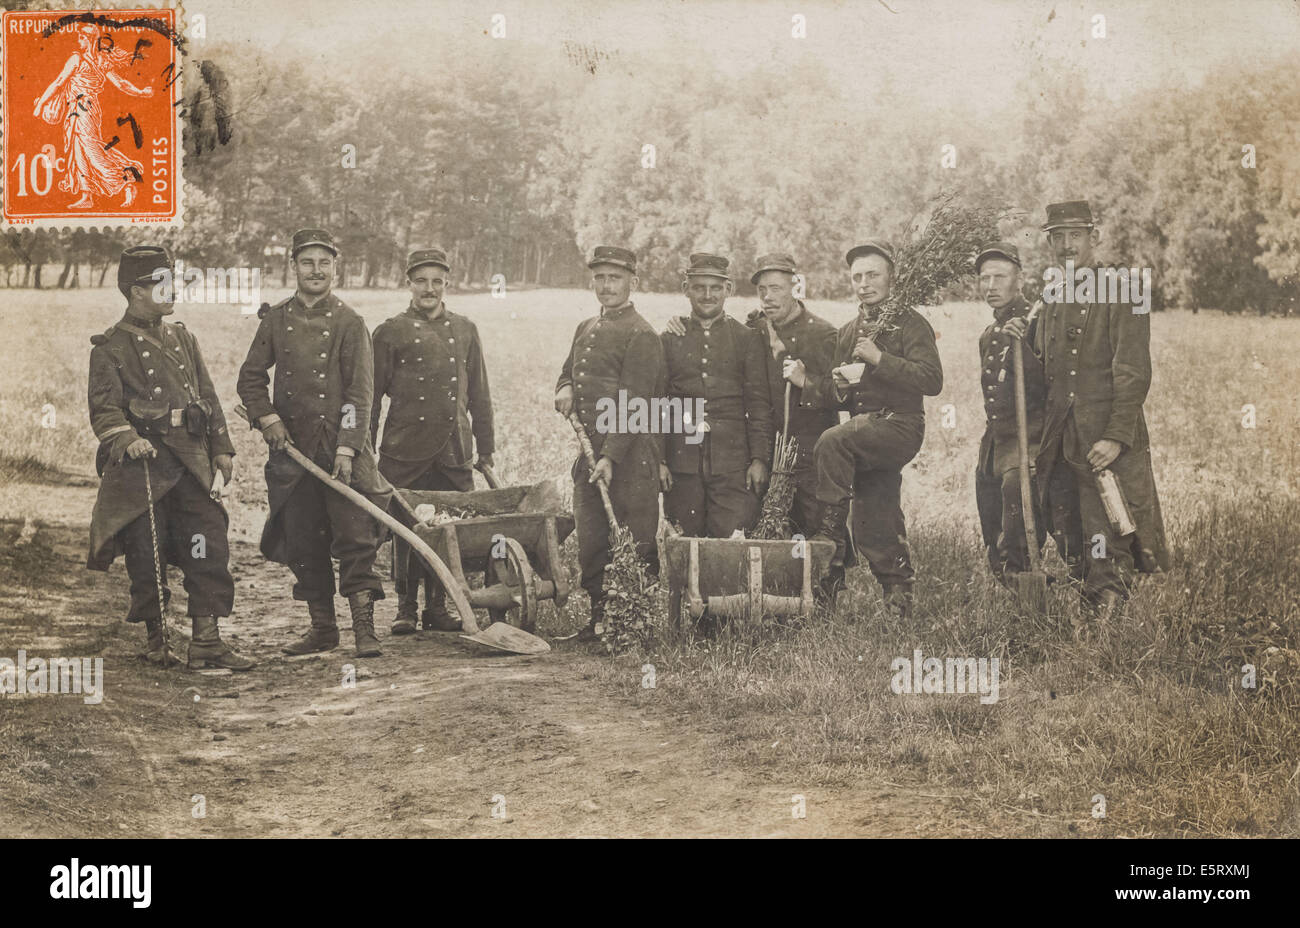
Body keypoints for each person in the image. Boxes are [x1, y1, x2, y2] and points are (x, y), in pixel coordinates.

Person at [86, 245, 253, 670]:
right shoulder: (109, 348)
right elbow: (105, 410)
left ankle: (207, 642)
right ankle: (157, 641)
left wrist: (222, 449)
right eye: (161, 282)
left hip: (191, 465)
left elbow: (208, 397)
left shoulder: (183, 338)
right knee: (148, 550)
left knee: (206, 542)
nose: (171, 289)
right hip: (143, 470)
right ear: (135, 291)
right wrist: (126, 438)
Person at [1003, 201, 1168, 617]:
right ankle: (1085, 599)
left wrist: (1115, 436)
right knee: (1066, 517)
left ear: (1094, 238)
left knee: (1108, 520)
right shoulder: (1053, 292)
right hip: (1061, 433)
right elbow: (1045, 366)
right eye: (1057, 237)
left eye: (1074, 235)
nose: (1065, 245)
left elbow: (1132, 371)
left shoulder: (1125, 289)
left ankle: (1108, 617)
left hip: (1103, 432)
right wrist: (1023, 338)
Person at [237, 228, 392, 658]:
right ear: (294, 267)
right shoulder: (276, 319)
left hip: (340, 450)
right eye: (308, 262)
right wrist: (267, 417)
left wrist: (346, 448)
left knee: (355, 536)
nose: (316, 270)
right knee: (303, 540)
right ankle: (323, 629)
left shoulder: (349, 322)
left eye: (324, 263)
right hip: (292, 453)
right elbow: (250, 378)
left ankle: (365, 629)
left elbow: (360, 394)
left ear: (335, 268)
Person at [790, 241, 943, 619]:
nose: (863, 283)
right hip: (865, 434)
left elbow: (932, 379)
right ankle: (898, 598)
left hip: (901, 426)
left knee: (832, 440)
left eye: (872, 274)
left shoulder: (910, 323)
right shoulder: (848, 332)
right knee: (876, 512)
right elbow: (841, 396)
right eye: (857, 277)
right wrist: (812, 383)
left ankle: (830, 538)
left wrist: (881, 358)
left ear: (892, 277)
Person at [371, 248, 494, 634]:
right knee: (408, 531)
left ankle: (438, 607)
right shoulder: (390, 332)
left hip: (454, 450)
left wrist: (486, 448)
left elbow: (480, 395)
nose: (429, 289)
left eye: (436, 281)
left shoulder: (465, 329)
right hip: (405, 450)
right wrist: (362, 447)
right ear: (409, 283)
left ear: (446, 284)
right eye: (421, 281)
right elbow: (371, 397)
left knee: (448, 529)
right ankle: (406, 608)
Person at [555, 246, 664, 639]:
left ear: (633, 282)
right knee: (593, 541)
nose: (606, 286)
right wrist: (564, 387)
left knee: (634, 541)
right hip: (590, 455)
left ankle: (635, 625)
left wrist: (611, 457)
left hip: (630, 458)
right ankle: (599, 620)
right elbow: (567, 372)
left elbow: (635, 405)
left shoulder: (642, 334)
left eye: (614, 278)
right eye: (600, 277)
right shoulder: (586, 327)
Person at [658, 253, 771, 538]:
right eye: (699, 287)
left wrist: (759, 459)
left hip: (733, 462)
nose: (707, 295)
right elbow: (655, 403)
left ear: (728, 290)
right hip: (682, 460)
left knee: (731, 546)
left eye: (715, 287)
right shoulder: (670, 338)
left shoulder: (746, 339)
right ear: (686, 289)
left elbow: (758, 404)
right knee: (683, 542)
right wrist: (659, 460)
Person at [972, 242, 1047, 584]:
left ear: (1020, 279)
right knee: (990, 511)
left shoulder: (1037, 321)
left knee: (1016, 494)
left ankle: (1024, 581)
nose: (990, 286)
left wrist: (1025, 347)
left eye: (999, 277)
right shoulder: (989, 333)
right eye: (984, 278)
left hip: (1031, 436)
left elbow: (1052, 384)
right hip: (997, 440)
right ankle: (1006, 582)